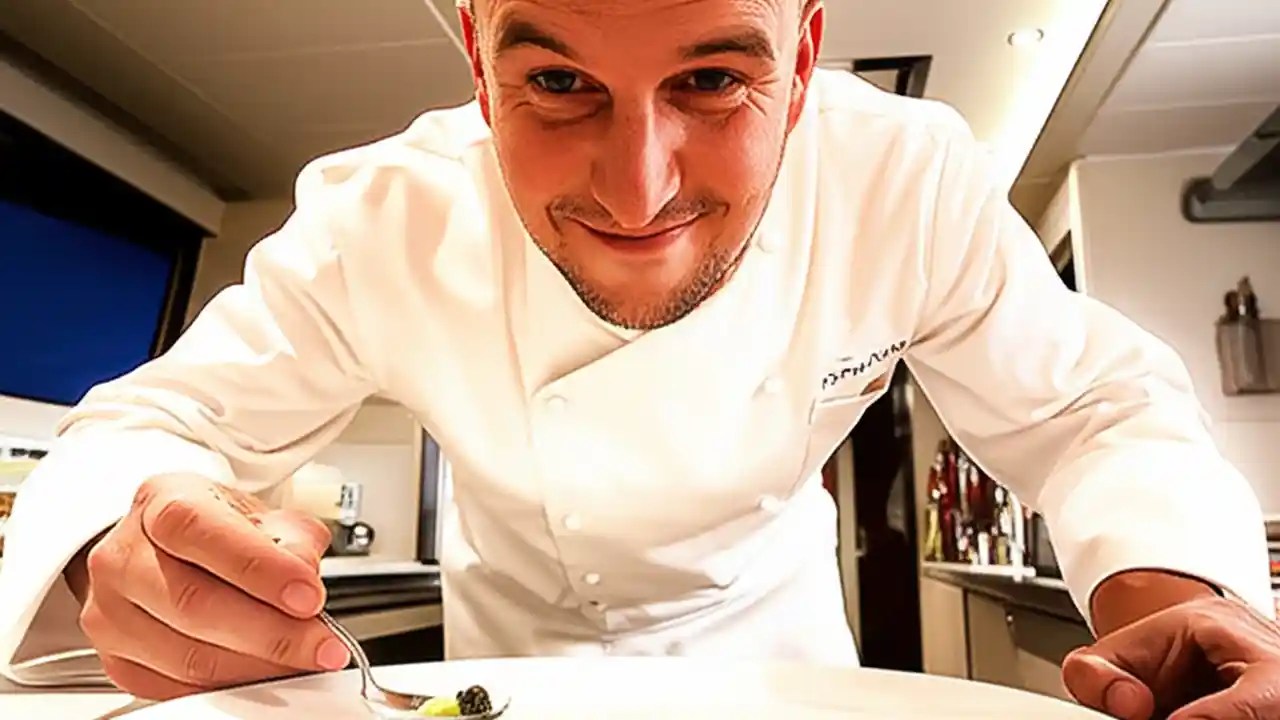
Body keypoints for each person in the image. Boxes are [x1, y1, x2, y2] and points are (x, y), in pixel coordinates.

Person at [1, 0, 1278, 716]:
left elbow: (1093, 411)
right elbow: (142, 428)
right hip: (507, 670)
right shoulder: (379, 220)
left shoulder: (905, 178)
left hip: (786, 677)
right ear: (472, 53)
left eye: (714, 79)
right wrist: (119, 545)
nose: (636, 188)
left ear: (805, 55)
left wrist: (1183, 612)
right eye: (556, 80)